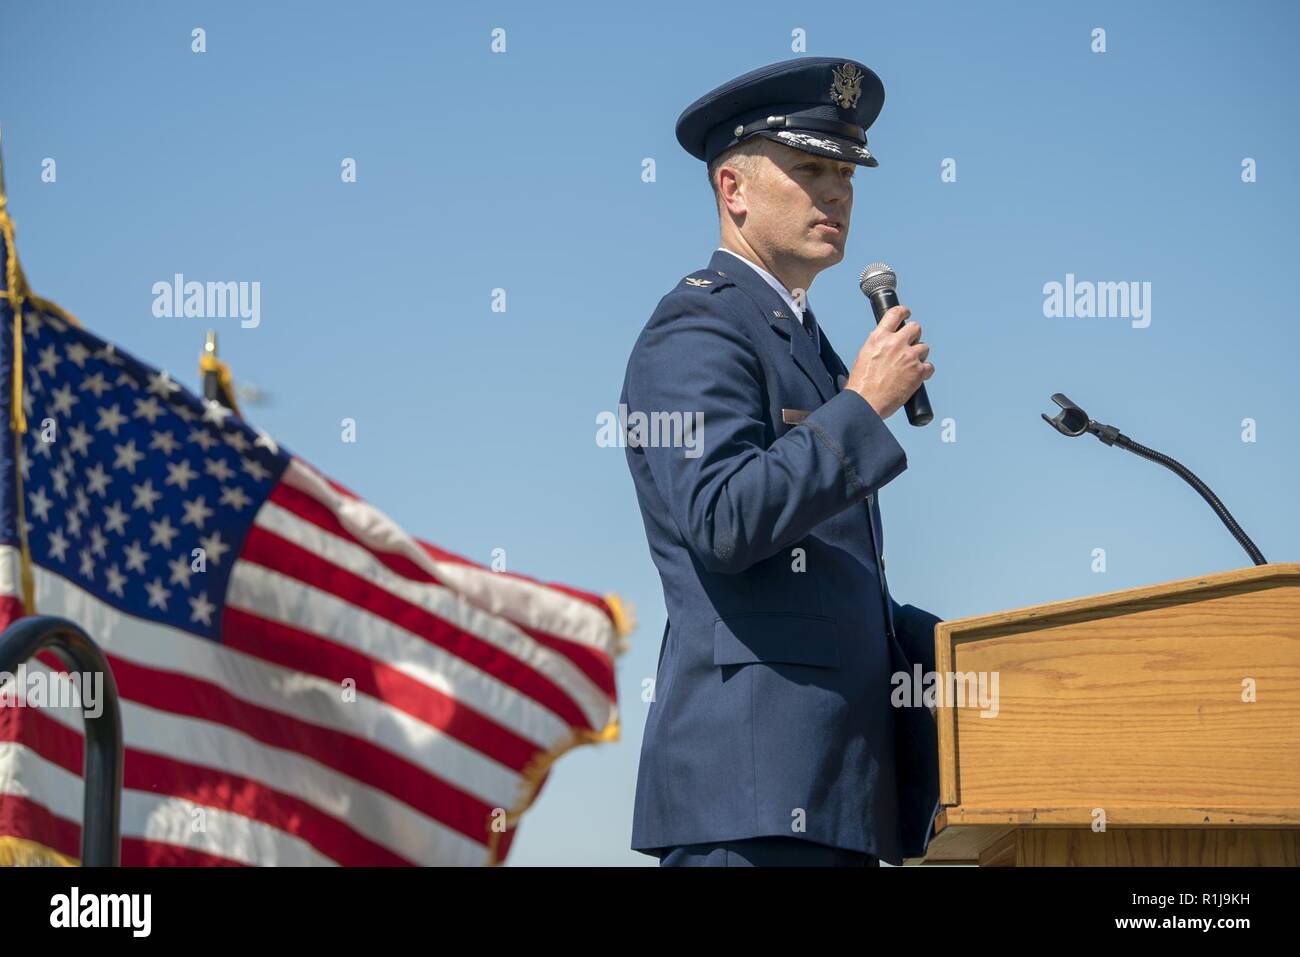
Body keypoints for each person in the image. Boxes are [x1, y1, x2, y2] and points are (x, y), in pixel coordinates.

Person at [620, 57, 943, 867]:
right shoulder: (695, 328)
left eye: (845, 174)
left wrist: (964, 658)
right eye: (809, 169)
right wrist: (862, 406)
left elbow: (829, 582)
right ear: (733, 188)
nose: (837, 193)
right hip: (752, 803)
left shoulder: (807, 346)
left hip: (838, 798)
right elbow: (723, 519)